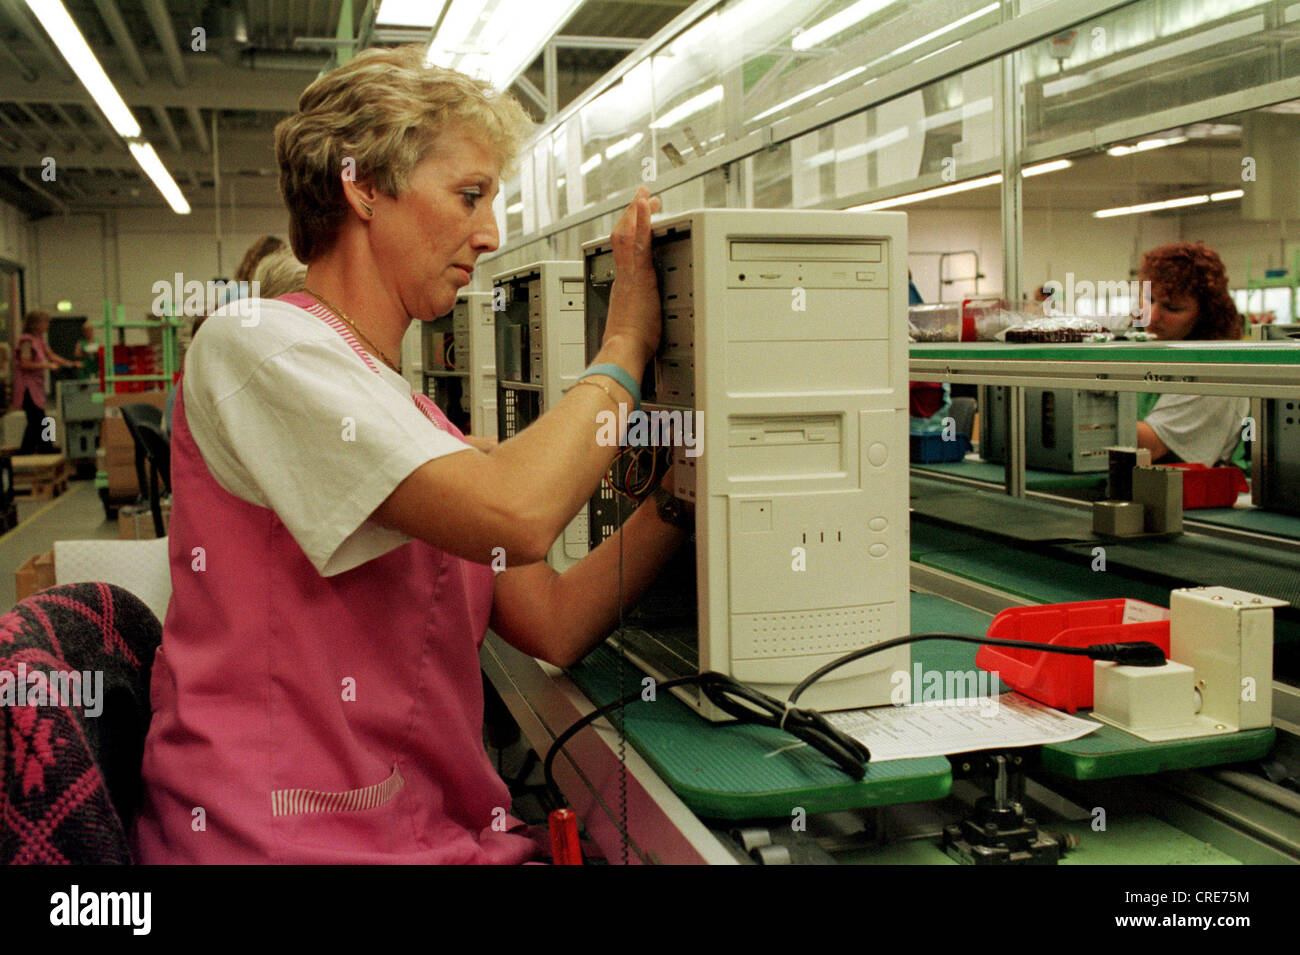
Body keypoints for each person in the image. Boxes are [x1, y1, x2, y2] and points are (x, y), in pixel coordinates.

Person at [132, 45, 686, 864]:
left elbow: (554, 620)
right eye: (469, 195)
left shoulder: (410, 412)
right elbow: (518, 511)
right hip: (281, 843)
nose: (490, 233)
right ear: (361, 184)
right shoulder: (258, 346)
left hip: (422, 836)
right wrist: (625, 348)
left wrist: (685, 496)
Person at [1135, 242, 1249, 471]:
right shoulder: (1149, 349)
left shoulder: (1212, 369)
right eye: (1149, 300)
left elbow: (1152, 444)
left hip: (1196, 496)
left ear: (1205, 315)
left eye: (1172, 308)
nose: (1152, 316)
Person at [11, 309, 78, 454]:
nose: (47, 325)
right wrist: (46, 365)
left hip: (37, 387)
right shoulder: (27, 341)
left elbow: (51, 356)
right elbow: (25, 363)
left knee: (37, 420)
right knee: (37, 419)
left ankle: (38, 448)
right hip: (27, 388)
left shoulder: (39, 340)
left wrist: (69, 364)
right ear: (36, 324)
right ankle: (37, 449)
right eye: (45, 322)